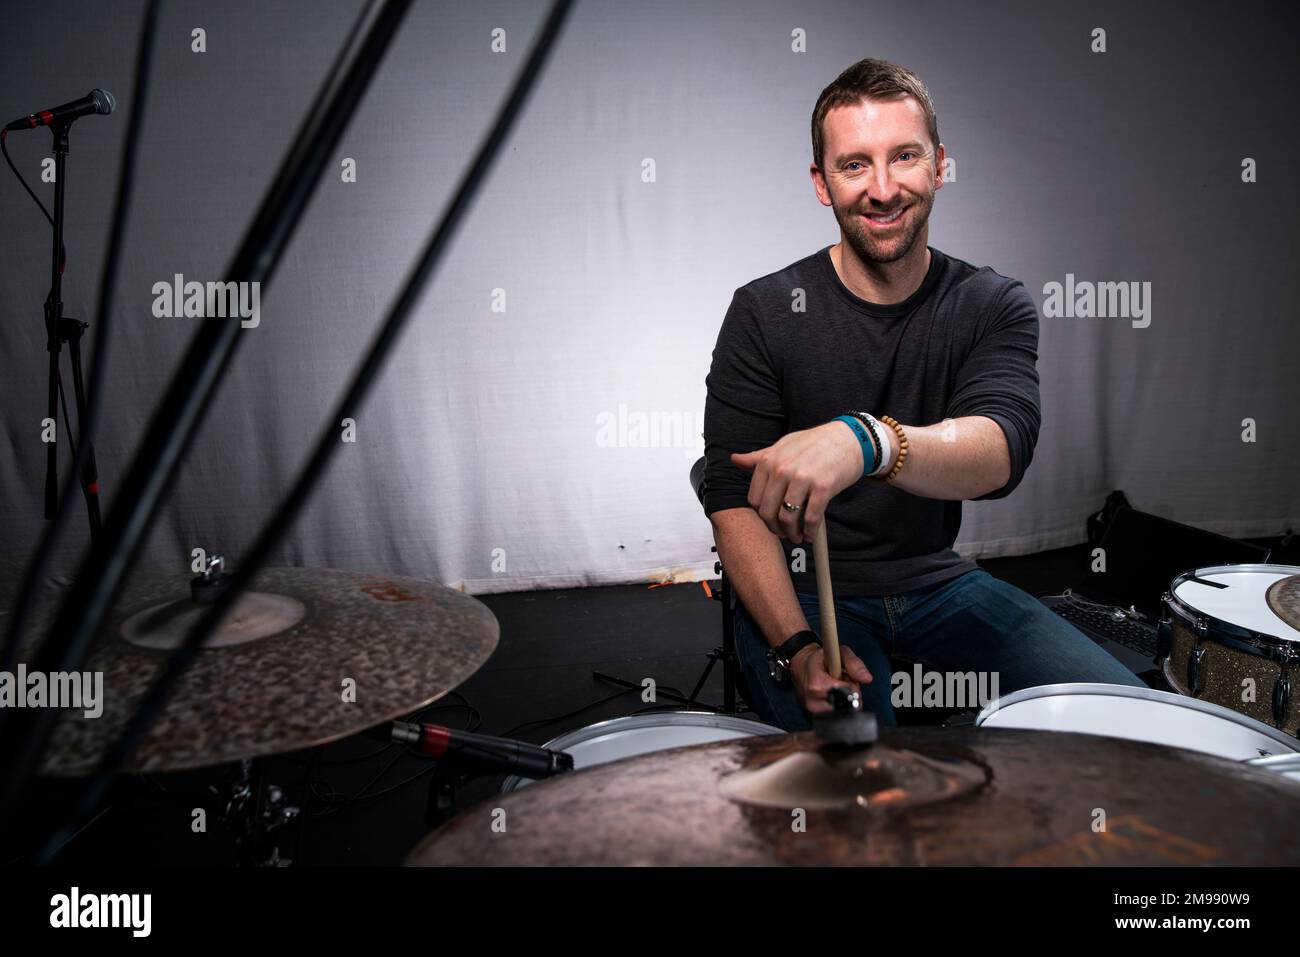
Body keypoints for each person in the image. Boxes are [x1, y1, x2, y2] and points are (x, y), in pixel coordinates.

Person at [702, 57, 1144, 732]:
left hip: (939, 581)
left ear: (939, 164)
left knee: (1134, 722)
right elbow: (733, 502)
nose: (882, 189)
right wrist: (795, 645)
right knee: (858, 751)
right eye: (854, 165)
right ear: (822, 184)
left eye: (904, 156)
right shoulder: (764, 310)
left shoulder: (991, 303)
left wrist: (867, 441)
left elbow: (1000, 452)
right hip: (808, 593)